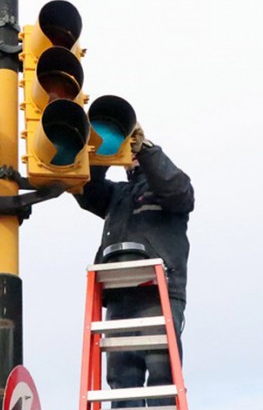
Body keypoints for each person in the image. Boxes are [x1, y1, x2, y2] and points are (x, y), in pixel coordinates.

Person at [74, 124, 195, 408]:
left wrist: (146, 149)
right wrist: (100, 153)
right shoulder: (117, 195)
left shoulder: (170, 189)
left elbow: (176, 189)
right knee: (121, 378)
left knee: (161, 373)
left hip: (157, 293)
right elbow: (87, 189)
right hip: (120, 292)